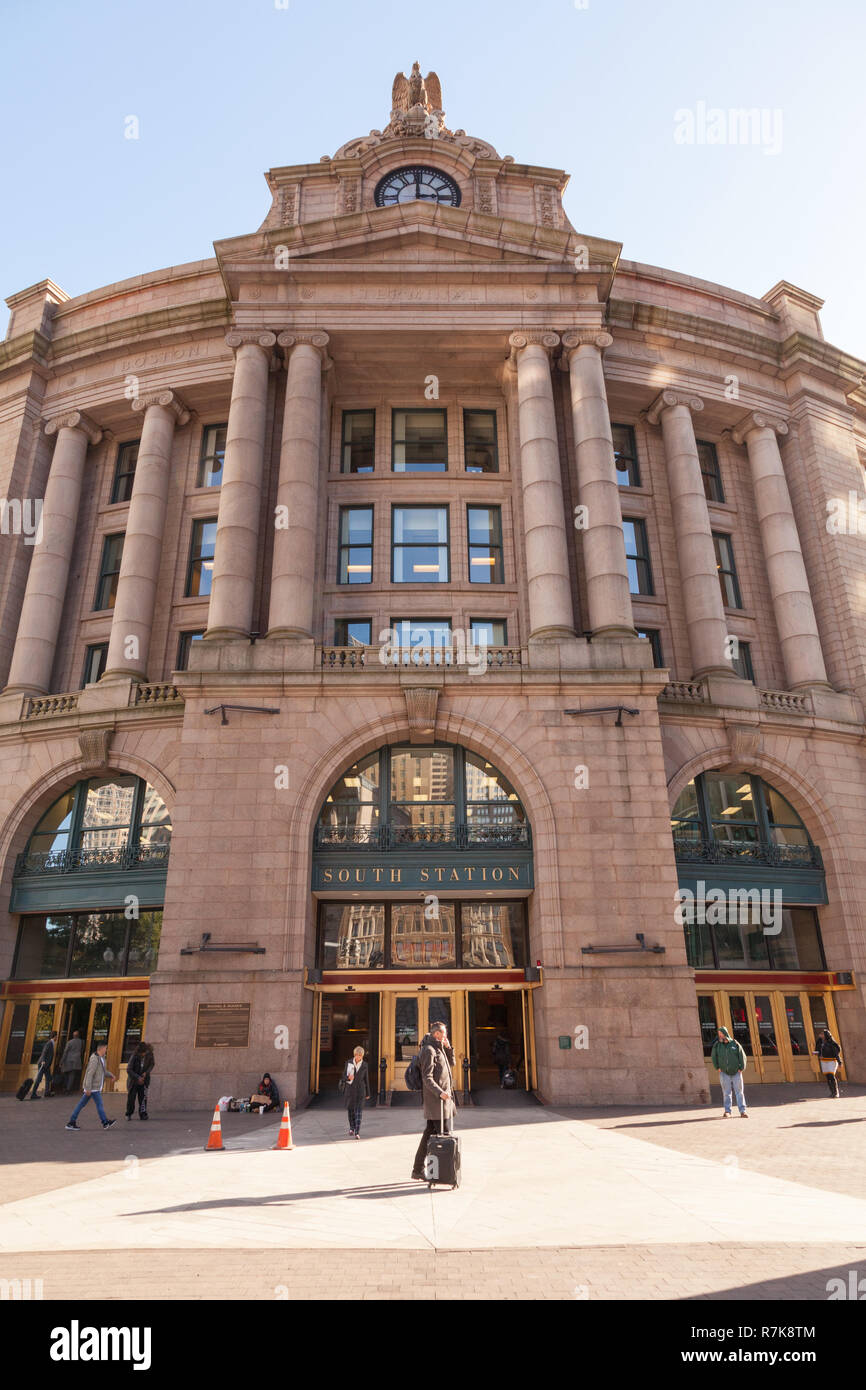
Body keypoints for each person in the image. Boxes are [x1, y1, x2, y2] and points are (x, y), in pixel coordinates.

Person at [411, 1020, 455, 1179]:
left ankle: (417, 1170)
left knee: (429, 1135)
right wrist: (440, 1093)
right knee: (444, 1135)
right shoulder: (429, 1050)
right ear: (437, 1034)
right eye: (444, 1033)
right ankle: (442, 1172)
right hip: (437, 1102)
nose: (446, 1035)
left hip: (443, 1101)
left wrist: (449, 1049)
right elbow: (427, 1078)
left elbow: (451, 1065)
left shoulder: (439, 1048)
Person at [65, 1043, 117, 1130]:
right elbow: (90, 1074)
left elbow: (103, 1071)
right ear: (101, 1048)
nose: (106, 1050)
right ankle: (105, 1122)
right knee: (99, 1104)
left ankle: (71, 1122)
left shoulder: (102, 1059)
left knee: (81, 1104)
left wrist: (111, 1075)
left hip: (94, 1087)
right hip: (93, 1087)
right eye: (106, 1048)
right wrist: (88, 1088)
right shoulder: (94, 1059)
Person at [710, 1026, 748, 1118]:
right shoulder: (717, 1045)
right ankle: (727, 1111)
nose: (720, 1035)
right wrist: (717, 1067)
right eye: (718, 1034)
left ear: (725, 1033)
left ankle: (743, 1111)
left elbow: (742, 1055)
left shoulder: (735, 1044)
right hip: (724, 1073)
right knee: (726, 1093)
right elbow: (713, 1056)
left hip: (736, 1072)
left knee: (739, 1092)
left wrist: (741, 1067)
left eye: (721, 1033)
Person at [344, 1046, 370, 1138]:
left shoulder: (365, 1065)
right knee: (351, 1111)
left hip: (360, 1091)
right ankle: (352, 1127)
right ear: (354, 1055)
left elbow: (366, 1079)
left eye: (360, 1055)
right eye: (357, 1055)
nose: (358, 1057)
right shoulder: (349, 1063)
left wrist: (368, 1093)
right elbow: (343, 1077)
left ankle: (357, 1132)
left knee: (359, 1111)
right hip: (350, 1091)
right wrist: (348, 1078)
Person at [125, 1041, 152, 1120]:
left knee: (143, 1098)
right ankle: (129, 1113)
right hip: (134, 1081)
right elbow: (129, 1069)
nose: (144, 1054)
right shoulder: (134, 1056)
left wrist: (146, 1073)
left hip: (144, 1080)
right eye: (143, 1053)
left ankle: (143, 1114)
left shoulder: (149, 1054)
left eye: (145, 1052)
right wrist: (138, 1077)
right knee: (131, 1098)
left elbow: (152, 1064)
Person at [816, 1028, 843, 1097]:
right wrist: (817, 1053)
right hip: (824, 1061)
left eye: (822, 1034)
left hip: (832, 1061)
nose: (820, 1035)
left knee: (831, 1076)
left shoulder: (831, 1043)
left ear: (826, 1035)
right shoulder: (820, 1042)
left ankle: (836, 1093)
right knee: (828, 1077)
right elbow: (818, 1050)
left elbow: (836, 1053)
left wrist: (839, 1062)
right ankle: (832, 1093)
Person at [30, 1031, 57, 1099]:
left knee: (48, 1078)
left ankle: (47, 1092)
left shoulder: (52, 1043)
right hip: (43, 1063)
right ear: (55, 1036)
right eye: (56, 1036)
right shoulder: (49, 1043)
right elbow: (44, 1052)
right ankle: (33, 1094)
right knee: (39, 1078)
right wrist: (43, 1061)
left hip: (47, 1065)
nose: (57, 1038)